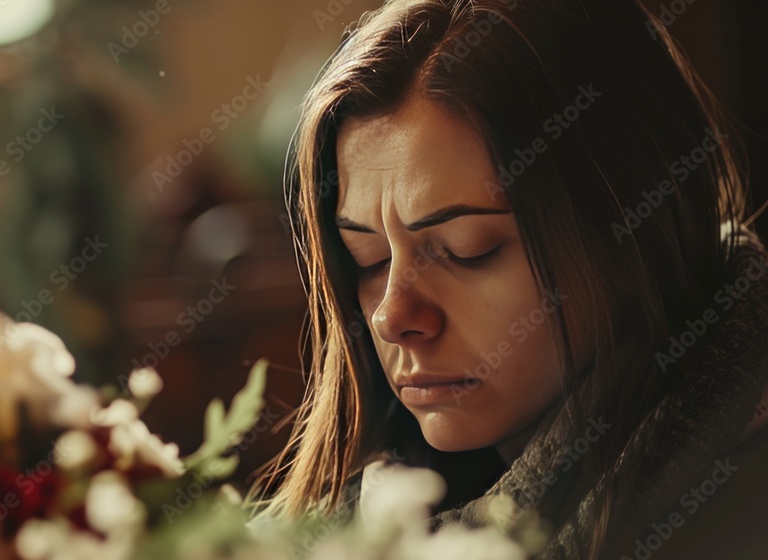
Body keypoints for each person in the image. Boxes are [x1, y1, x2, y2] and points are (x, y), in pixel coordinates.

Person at [251, 0, 768, 558]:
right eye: (368, 258)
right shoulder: (343, 523)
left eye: (466, 251)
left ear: (631, 228)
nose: (392, 316)